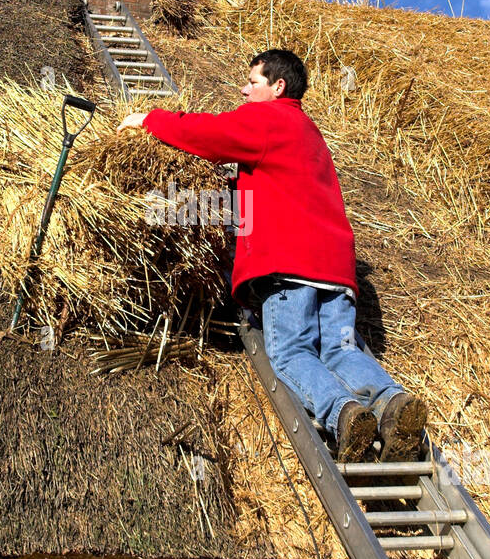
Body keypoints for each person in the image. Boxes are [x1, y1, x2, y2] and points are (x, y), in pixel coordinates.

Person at [117, 48, 427, 462]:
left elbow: (211, 135)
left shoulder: (268, 118)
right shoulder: (308, 133)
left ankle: (343, 413)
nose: (244, 90)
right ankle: (392, 403)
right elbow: (272, 182)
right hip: (335, 270)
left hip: (289, 266)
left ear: (278, 87)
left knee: (291, 352)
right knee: (340, 351)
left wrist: (150, 120)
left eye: (253, 82)